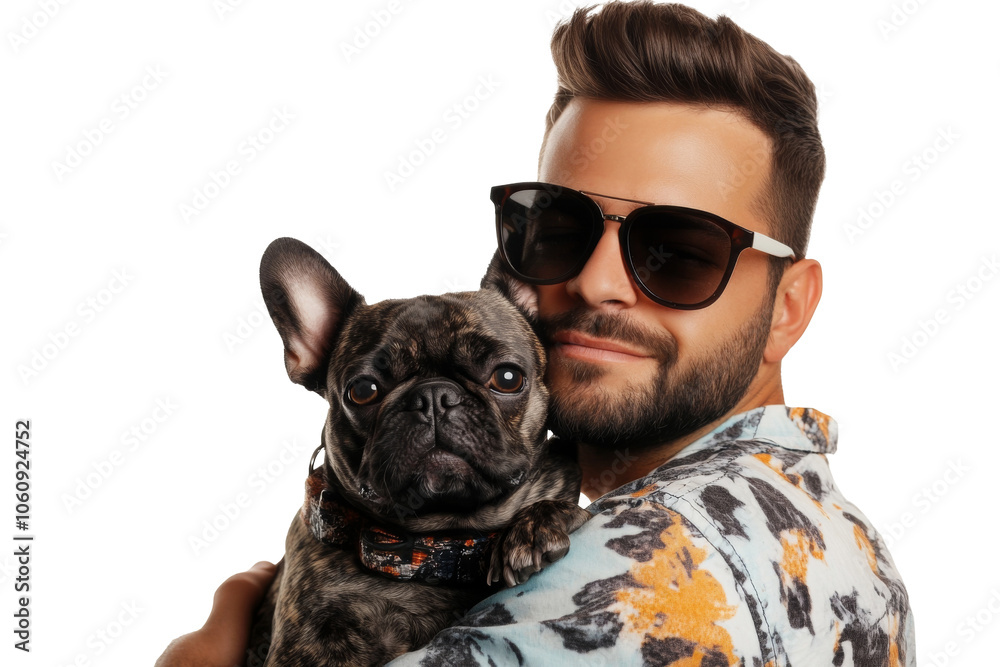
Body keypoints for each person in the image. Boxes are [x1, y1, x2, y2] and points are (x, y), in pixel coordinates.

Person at [158, 2, 915, 665]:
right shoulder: (850, 543)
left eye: (679, 251)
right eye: (561, 230)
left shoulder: (630, 587)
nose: (595, 280)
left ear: (788, 306)